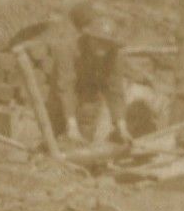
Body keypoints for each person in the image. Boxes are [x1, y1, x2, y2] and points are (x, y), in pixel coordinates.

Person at [51, 15, 134, 144]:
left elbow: (115, 90)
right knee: (56, 133)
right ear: (89, 38)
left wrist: (121, 126)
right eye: (99, 41)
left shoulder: (115, 54)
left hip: (90, 92)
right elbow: (66, 87)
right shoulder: (67, 49)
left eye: (107, 43)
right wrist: (71, 125)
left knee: (84, 139)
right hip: (62, 92)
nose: (103, 47)